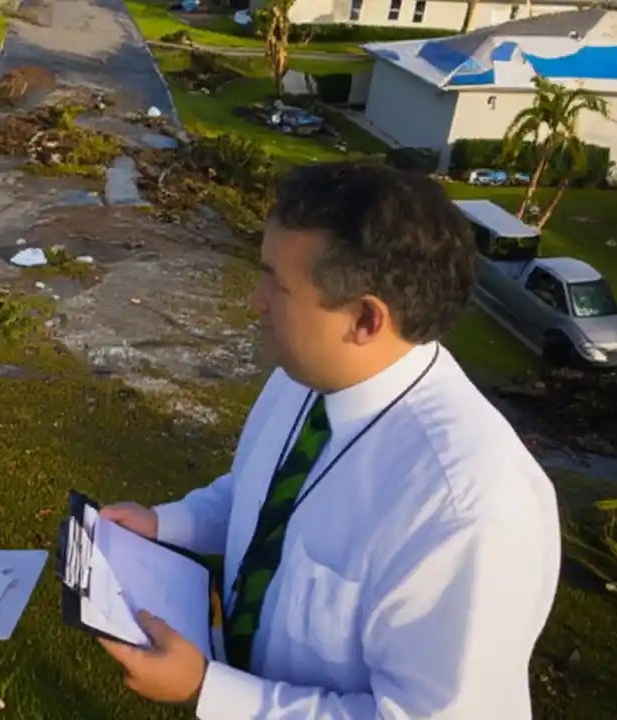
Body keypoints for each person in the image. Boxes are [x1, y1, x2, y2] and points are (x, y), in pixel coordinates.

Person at [97, 163, 561, 719]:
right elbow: (261, 495)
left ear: (365, 319)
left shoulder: (466, 510)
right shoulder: (304, 380)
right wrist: (163, 524)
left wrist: (209, 691)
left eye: (277, 281)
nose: (255, 299)